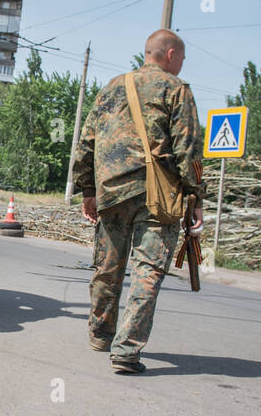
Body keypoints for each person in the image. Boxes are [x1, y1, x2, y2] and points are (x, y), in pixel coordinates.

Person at [70, 29, 205, 374]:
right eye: (182, 59)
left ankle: (101, 334)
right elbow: (188, 149)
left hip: (112, 191)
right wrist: (196, 197)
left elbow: (86, 142)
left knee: (107, 268)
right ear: (171, 54)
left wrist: (87, 189)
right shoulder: (177, 90)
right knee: (148, 271)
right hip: (158, 197)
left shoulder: (112, 87)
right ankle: (126, 351)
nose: (182, 65)